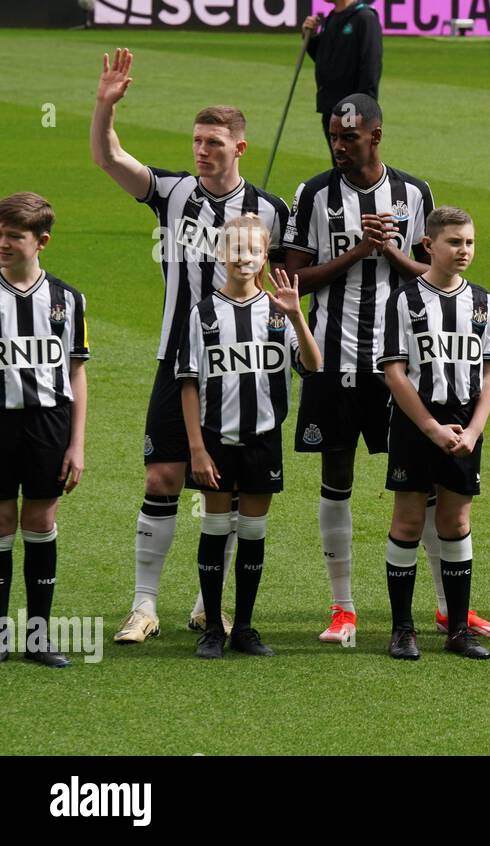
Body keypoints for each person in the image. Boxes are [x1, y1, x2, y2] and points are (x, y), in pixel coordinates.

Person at [284, 94, 490, 644]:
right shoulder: (312, 193)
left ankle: (445, 609)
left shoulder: (415, 193)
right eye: (333, 136)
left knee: (428, 487)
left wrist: (387, 251)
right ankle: (343, 609)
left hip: (410, 364)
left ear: (376, 136)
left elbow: (428, 268)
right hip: (333, 356)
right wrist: (360, 249)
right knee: (336, 478)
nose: (339, 146)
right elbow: (293, 282)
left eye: (349, 138)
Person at [91, 48, 289, 644]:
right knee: (162, 479)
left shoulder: (270, 212)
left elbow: (286, 286)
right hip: (177, 358)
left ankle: (212, 606)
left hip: (241, 367)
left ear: (240, 149)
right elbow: (110, 158)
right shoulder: (173, 193)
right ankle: (144, 605)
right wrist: (105, 107)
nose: (201, 151)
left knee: (225, 489)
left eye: (213, 143)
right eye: (197, 141)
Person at [178, 216, 322, 659]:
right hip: (215, 438)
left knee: (254, 531)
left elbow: (313, 366)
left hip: (263, 437)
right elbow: (187, 383)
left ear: (264, 256)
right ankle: (212, 630)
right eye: (235, 249)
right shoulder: (202, 314)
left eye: (253, 251)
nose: (243, 258)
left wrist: (298, 315)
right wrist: (197, 450)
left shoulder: (279, 311)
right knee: (216, 528)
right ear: (222, 254)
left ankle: (243, 626)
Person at [378, 207, 490, 661]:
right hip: (417, 427)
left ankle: (457, 630)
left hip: (465, 429)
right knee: (408, 522)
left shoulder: (485, 302)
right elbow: (394, 372)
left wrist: (474, 429)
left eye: (469, 242)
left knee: (456, 522)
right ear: (429, 245)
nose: (464, 251)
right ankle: (402, 629)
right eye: (454, 242)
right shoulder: (404, 300)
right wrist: (431, 428)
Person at [0, 193, 89, 668]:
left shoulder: (67, 299)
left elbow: (77, 372)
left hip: (48, 423)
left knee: (40, 521)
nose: (3, 243)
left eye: (14, 236)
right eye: (0, 233)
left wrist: (76, 444)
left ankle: (38, 636)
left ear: (42, 241)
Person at [302, 1, 383, 160]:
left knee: (354, 166)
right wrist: (310, 38)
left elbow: (371, 66)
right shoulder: (333, 16)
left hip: (353, 110)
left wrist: (364, 109)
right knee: (341, 165)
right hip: (331, 107)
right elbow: (327, 60)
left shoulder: (365, 17)